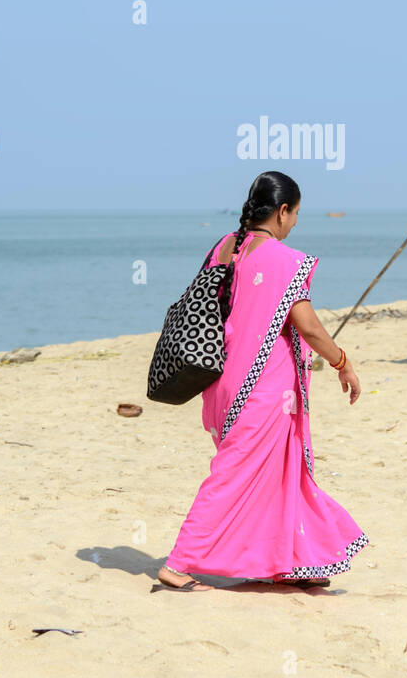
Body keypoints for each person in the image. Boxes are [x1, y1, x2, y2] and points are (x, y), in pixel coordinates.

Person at [154, 171, 370, 592]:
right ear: (282, 210)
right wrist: (343, 362)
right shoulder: (286, 261)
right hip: (263, 393)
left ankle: (288, 563)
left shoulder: (225, 246)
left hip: (221, 384)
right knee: (234, 476)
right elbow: (308, 328)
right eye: (295, 214)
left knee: (278, 477)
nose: (294, 224)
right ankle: (179, 563)